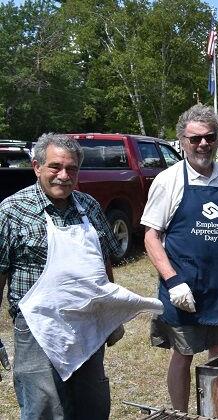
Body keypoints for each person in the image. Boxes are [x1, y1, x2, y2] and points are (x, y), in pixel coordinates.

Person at [0, 133, 162, 419]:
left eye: (71, 169)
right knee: (45, 408)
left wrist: (110, 314)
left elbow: (104, 261)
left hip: (87, 322)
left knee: (92, 405)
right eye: (55, 167)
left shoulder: (88, 206)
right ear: (37, 167)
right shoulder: (12, 211)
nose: (63, 175)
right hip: (38, 327)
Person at [142, 104, 218, 411]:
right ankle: (180, 414)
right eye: (195, 138)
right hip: (184, 288)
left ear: (217, 138)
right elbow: (151, 237)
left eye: (209, 137)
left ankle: (215, 412)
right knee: (183, 354)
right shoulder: (168, 180)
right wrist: (173, 283)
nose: (203, 145)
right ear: (182, 140)